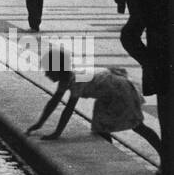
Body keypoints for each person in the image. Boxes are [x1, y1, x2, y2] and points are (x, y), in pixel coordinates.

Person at [25, 64, 161, 163]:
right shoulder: (67, 79)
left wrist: (57, 133)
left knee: (137, 125)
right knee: (100, 126)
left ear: (58, 71)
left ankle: (165, 156)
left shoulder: (77, 80)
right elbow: (53, 102)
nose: (46, 74)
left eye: (48, 71)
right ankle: (110, 157)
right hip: (108, 94)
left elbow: (68, 109)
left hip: (121, 91)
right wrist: (38, 124)